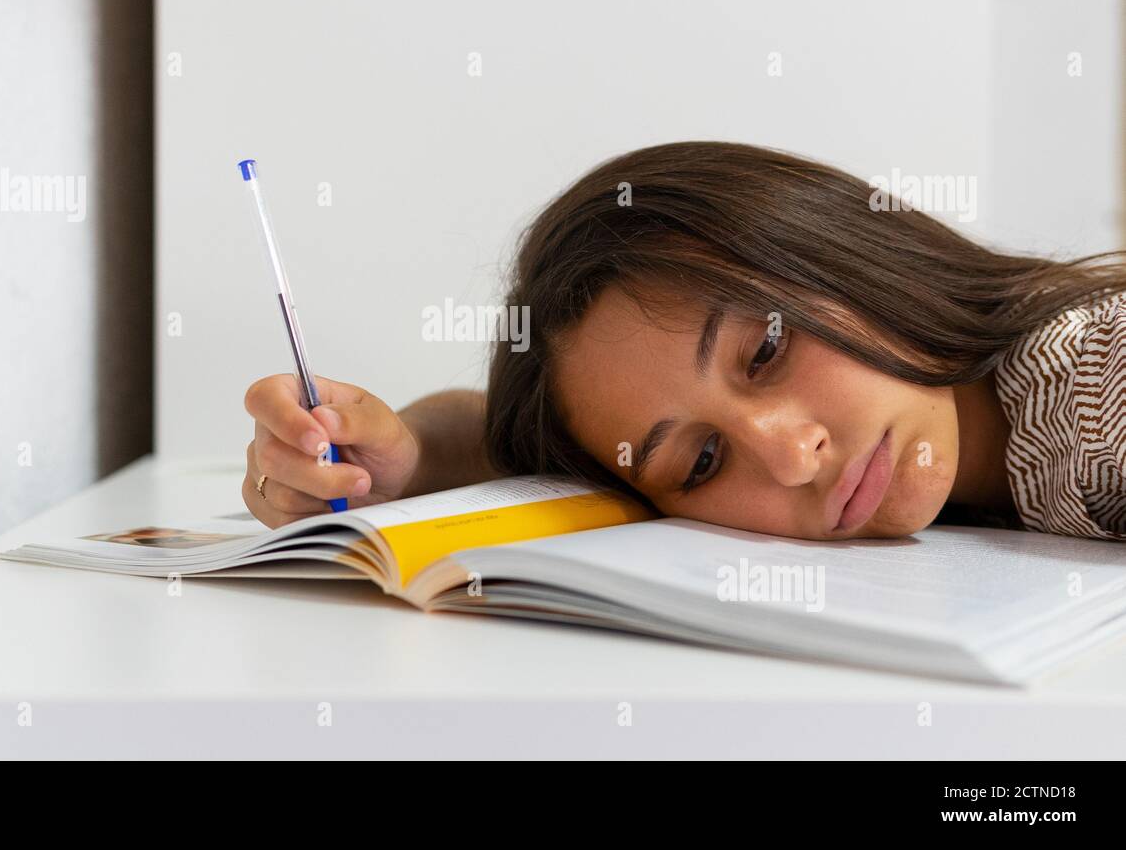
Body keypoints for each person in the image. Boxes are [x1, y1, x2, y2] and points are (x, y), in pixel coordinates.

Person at [243, 142, 1126, 541]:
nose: (789, 457)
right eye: (702, 463)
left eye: (766, 352)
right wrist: (404, 457)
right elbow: (518, 437)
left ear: (853, 253)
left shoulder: (1094, 377)